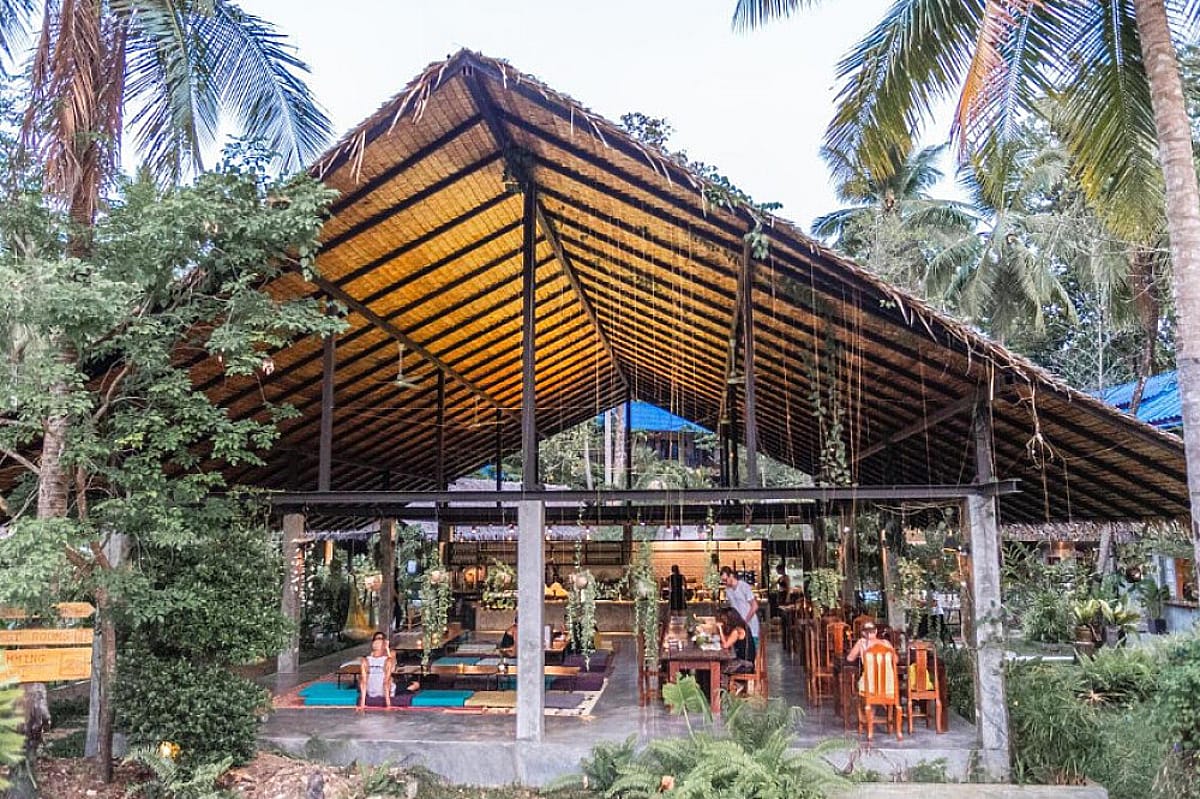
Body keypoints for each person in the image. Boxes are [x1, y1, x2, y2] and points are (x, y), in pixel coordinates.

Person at [720, 565, 760, 644]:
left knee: (750, 649)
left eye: (725, 580)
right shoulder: (728, 590)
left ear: (731, 576)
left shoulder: (743, 586)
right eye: (723, 581)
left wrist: (745, 621)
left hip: (750, 625)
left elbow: (755, 606)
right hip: (738, 627)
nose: (724, 583)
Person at [358, 632, 395, 709]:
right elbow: (386, 682)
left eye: (381, 639)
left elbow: (363, 682)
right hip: (379, 691)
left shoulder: (365, 660)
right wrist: (388, 705)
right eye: (377, 639)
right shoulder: (368, 659)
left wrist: (362, 705)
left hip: (375, 692)